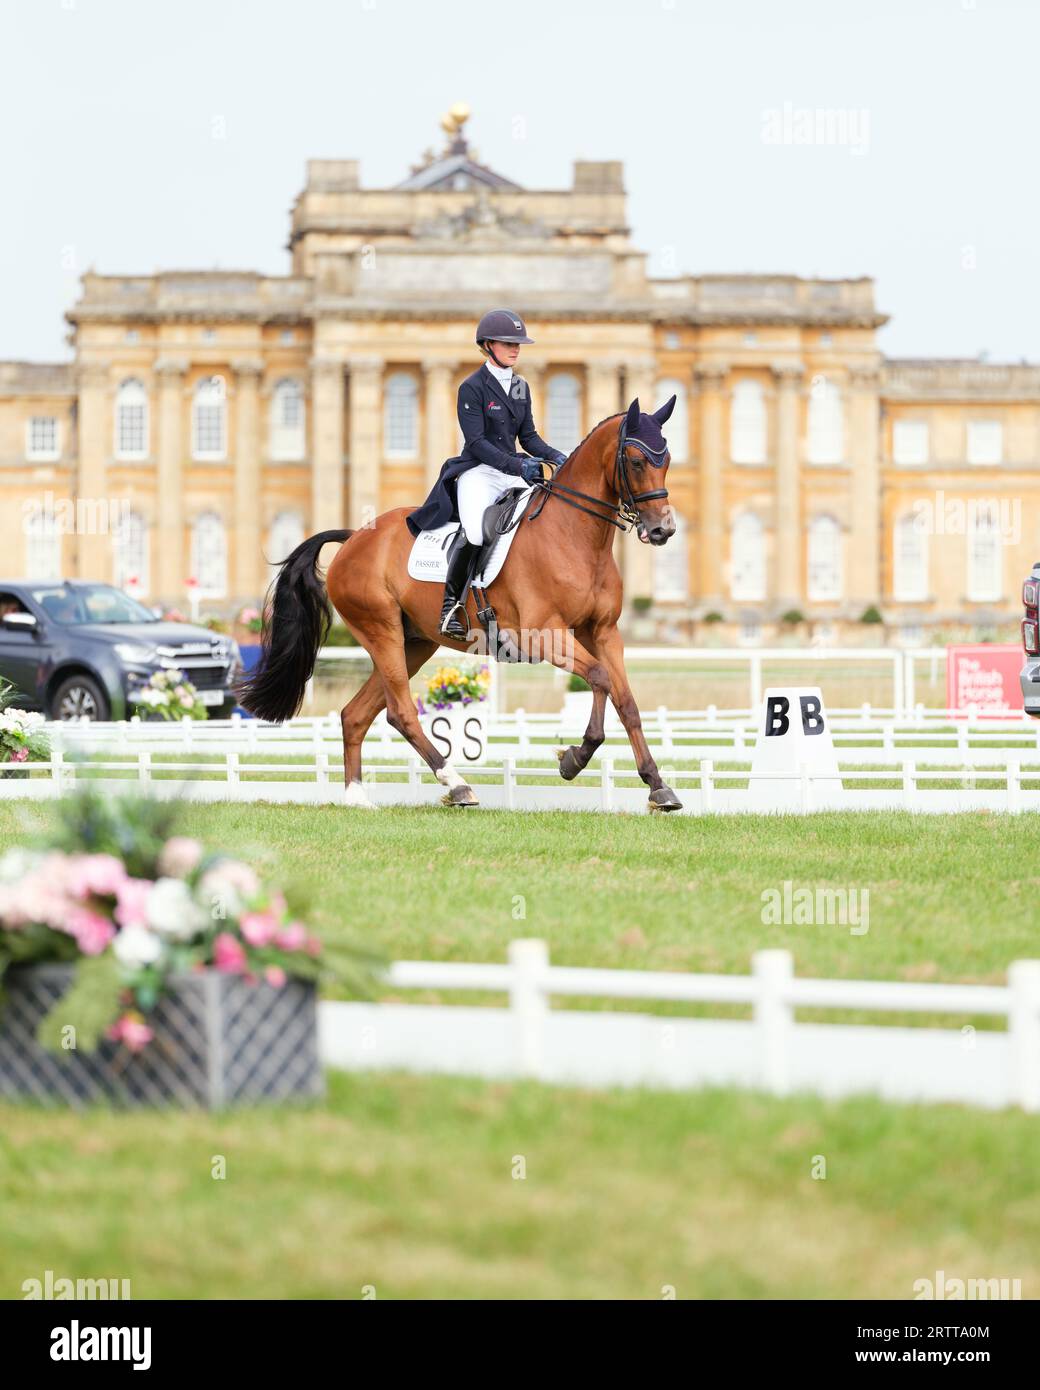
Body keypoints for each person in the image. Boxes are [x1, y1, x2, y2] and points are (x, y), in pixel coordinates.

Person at [405, 309, 568, 640]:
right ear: (489, 345)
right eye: (509, 343)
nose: (516, 349)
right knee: (477, 534)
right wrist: (518, 466)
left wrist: (558, 457)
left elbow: (529, 437)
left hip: (512, 471)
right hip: (479, 472)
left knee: (541, 522)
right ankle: (451, 606)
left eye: (518, 344)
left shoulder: (520, 387)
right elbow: (476, 442)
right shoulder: (472, 387)